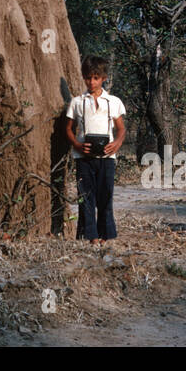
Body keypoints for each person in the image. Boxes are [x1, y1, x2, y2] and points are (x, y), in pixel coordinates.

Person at [65, 54, 126, 244]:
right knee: (86, 196)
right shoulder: (77, 102)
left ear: (103, 78)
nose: (91, 82)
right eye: (88, 77)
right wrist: (77, 145)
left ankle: (105, 236)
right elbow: (68, 128)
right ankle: (90, 237)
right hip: (84, 157)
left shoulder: (113, 101)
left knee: (105, 196)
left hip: (107, 157)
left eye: (95, 78)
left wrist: (116, 143)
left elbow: (121, 128)